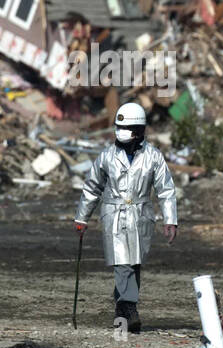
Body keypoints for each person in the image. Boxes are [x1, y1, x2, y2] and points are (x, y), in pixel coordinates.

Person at [73, 103, 177, 332]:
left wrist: (170, 220)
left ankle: (123, 310)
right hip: (114, 214)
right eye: (118, 126)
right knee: (123, 263)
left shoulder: (153, 156)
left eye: (126, 127)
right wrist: (82, 218)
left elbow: (166, 189)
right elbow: (92, 187)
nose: (120, 131)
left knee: (134, 263)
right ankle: (128, 307)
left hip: (141, 215)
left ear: (139, 130)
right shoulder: (107, 156)